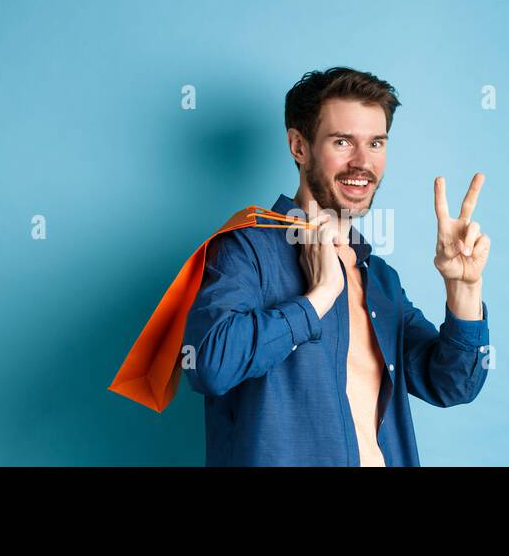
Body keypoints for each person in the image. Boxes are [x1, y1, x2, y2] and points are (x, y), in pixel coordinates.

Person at [181, 66, 493, 466]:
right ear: (299, 146)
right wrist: (318, 298)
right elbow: (208, 366)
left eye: (376, 143)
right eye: (343, 142)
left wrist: (464, 288)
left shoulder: (379, 278)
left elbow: (451, 384)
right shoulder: (246, 248)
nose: (362, 163)